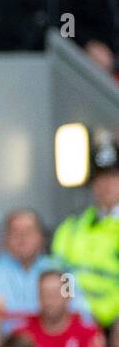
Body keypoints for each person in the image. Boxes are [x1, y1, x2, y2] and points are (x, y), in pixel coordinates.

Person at [51, 140, 119, 328]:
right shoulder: (70, 228)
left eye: (113, 177)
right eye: (99, 178)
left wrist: (104, 314)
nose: (106, 185)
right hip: (75, 324)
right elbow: (61, 274)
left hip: (114, 327)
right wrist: (72, 306)